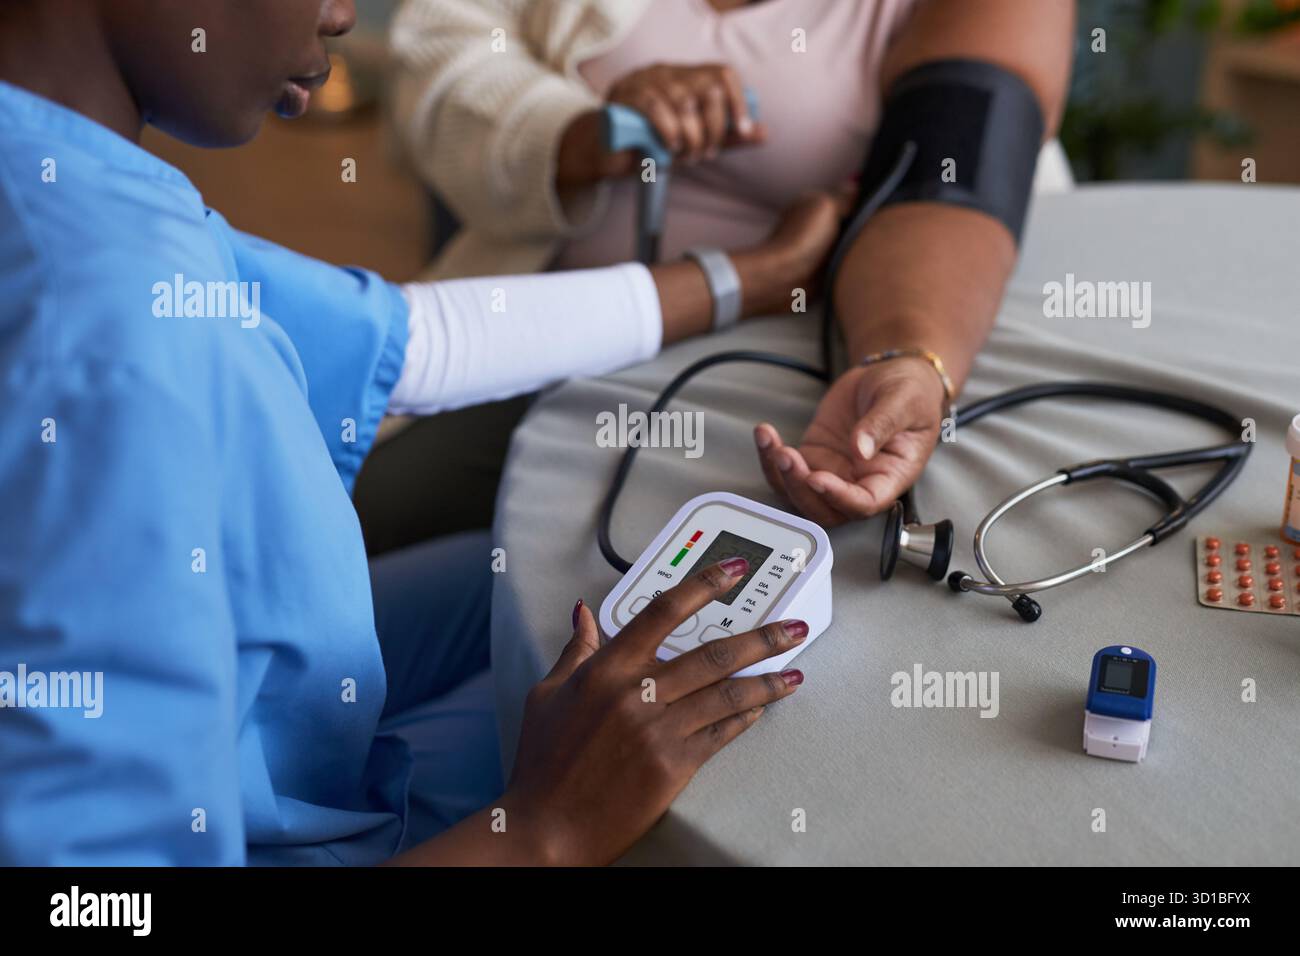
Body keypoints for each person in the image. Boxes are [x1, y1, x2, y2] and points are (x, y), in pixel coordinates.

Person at [0, 0, 843, 866]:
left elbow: (409, 337)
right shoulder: (100, 331)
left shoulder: (69, 178)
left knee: (536, 584)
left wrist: (748, 278)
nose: (341, 14)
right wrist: (549, 832)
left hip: (255, 718)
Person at [388, 0, 1074, 534]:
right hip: (552, 327)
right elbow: (437, 57)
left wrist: (907, 356)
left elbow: (948, 182)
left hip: (812, 359)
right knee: (356, 511)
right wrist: (587, 132)